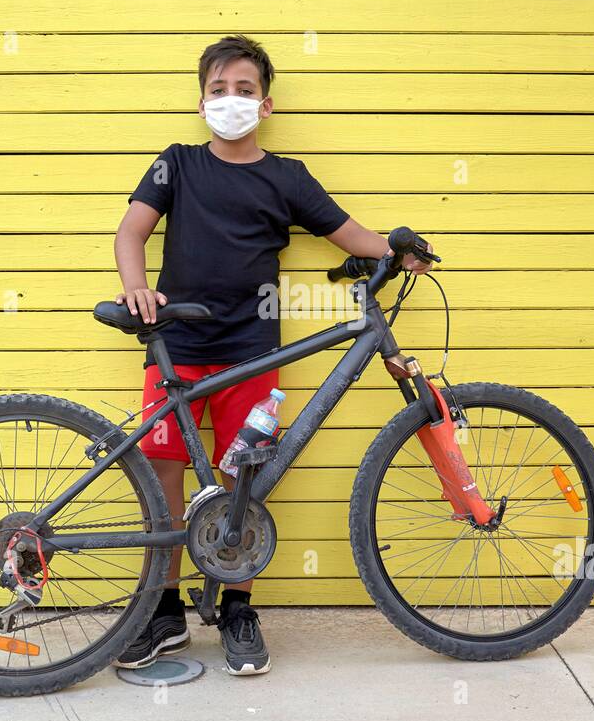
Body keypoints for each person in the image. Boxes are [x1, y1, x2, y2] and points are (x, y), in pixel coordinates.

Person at [110, 34, 433, 675]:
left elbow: (347, 232)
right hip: (176, 341)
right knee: (163, 475)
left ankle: (237, 606)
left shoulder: (285, 177)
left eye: (245, 89)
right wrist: (136, 287)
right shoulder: (177, 163)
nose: (230, 99)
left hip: (250, 349)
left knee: (245, 477)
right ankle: (164, 610)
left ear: (266, 104)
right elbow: (131, 231)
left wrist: (395, 250)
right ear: (201, 101)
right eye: (218, 89)